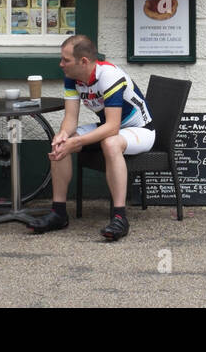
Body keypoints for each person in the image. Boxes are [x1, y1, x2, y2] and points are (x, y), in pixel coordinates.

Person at [28, 35, 154, 241]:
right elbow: (70, 120)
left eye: (65, 60)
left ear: (83, 61)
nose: (61, 64)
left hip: (140, 129)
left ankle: (120, 217)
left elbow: (112, 127)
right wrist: (63, 135)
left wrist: (76, 142)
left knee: (110, 143)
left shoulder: (109, 76)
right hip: (111, 126)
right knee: (61, 142)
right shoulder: (72, 77)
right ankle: (58, 212)